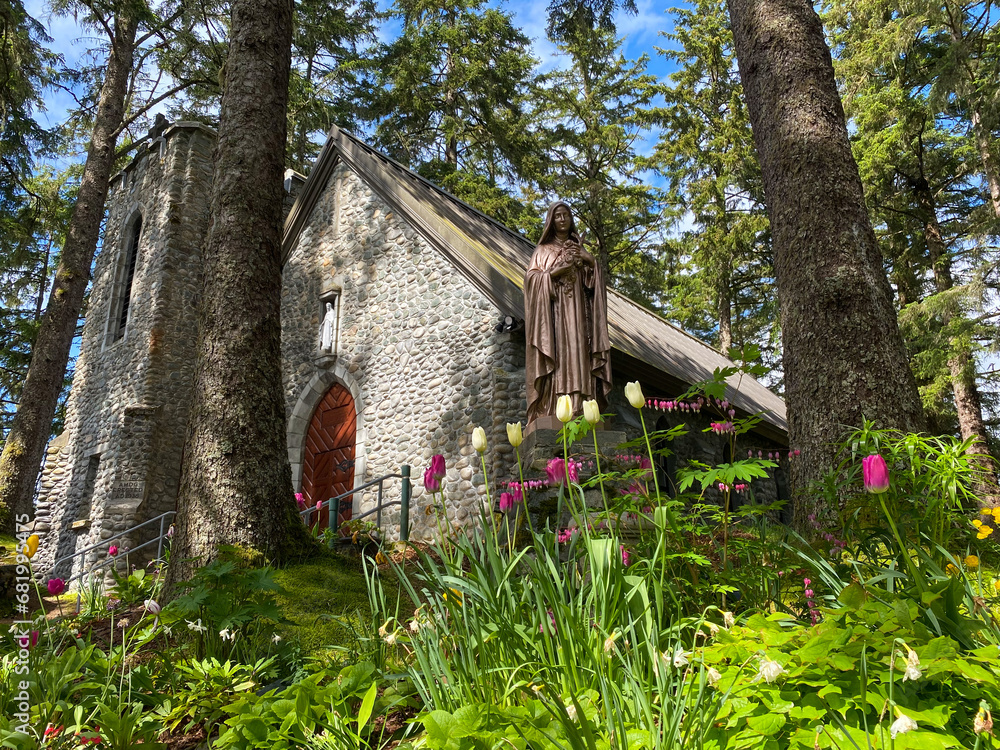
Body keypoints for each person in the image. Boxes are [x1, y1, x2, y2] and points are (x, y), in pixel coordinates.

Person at [524, 201, 612, 429]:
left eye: (566, 215)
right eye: (558, 216)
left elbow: (594, 287)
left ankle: (582, 405)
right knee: (561, 356)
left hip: (580, 316)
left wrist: (589, 260)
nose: (562, 220)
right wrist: (554, 273)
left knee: (579, 354)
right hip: (554, 318)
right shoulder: (542, 251)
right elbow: (532, 281)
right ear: (551, 221)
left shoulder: (579, 249)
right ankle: (556, 406)